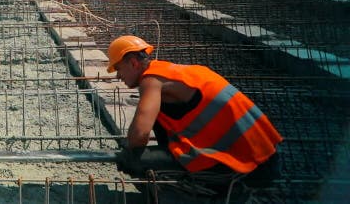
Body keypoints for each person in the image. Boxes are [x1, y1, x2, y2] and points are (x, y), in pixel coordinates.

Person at [108, 35, 282, 192]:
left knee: (133, 160)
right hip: (262, 156)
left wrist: (127, 149)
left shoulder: (152, 79)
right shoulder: (172, 71)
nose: (118, 76)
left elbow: (139, 134)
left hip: (245, 163)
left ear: (133, 63)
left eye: (118, 68)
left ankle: (212, 192)